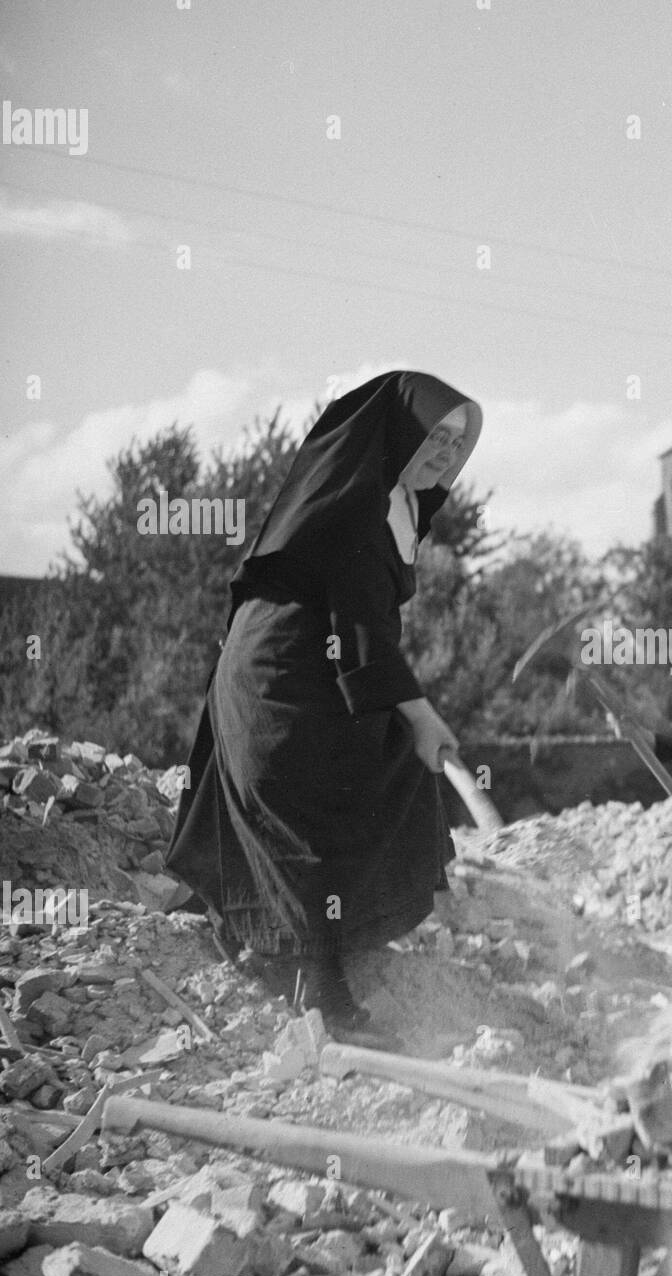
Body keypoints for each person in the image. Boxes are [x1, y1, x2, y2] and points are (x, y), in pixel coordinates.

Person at [166, 371, 482, 1046]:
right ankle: (319, 992)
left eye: (459, 442)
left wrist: (409, 714)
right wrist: (421, 714)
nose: (448, 454)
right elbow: (364, 625)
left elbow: (365, 633)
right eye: (436, 437)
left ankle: (338, 937)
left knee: (386, 773)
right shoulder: (355, 507)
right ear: (399, 434)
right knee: (306, 814)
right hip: (279, 675)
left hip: (325, 667)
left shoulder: (395, 504)